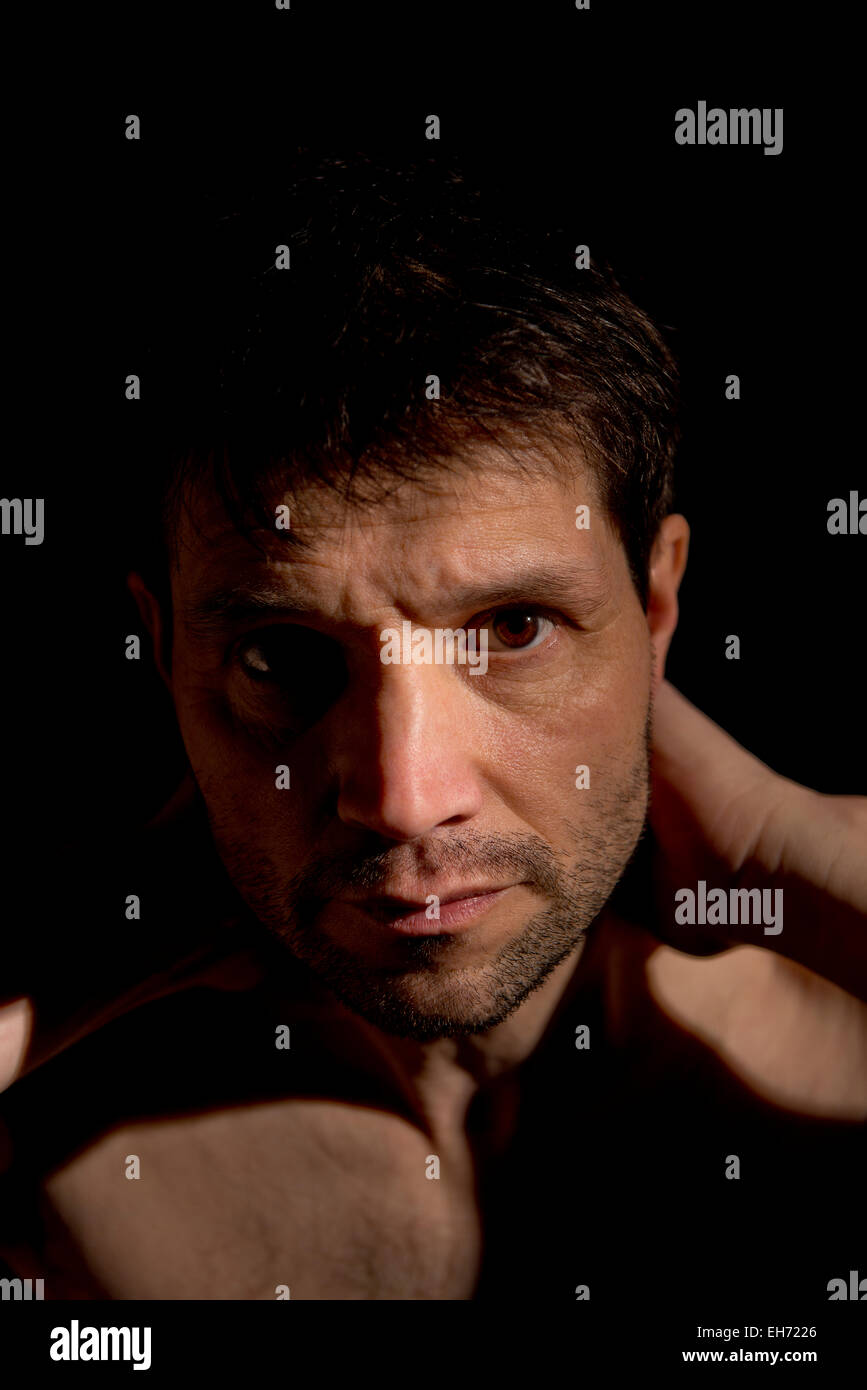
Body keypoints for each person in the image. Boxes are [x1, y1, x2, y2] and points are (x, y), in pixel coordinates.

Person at [1, 154, 864, 1302]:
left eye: (513, 627)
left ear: (655, 608)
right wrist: (56, 984)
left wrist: (783, 847)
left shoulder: (845, 1028)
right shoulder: (48, 1120)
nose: (404, 797)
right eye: (282, 656)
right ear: (164, 651)